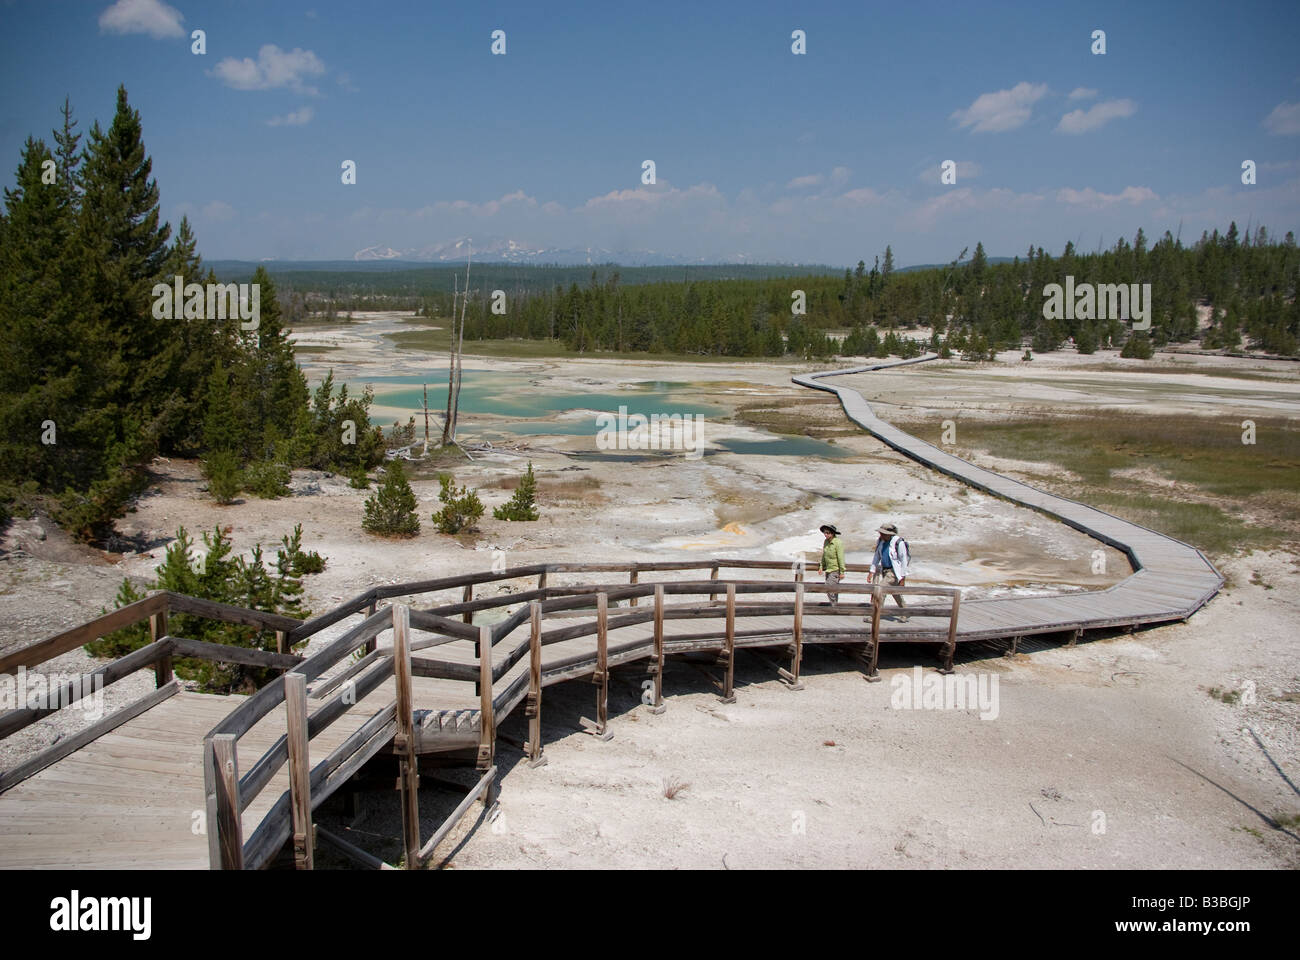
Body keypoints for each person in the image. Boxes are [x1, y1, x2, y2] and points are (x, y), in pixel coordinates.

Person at [867, 522, 909, 621]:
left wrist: (903, 577)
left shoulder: (899, 543)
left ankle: (875, 615)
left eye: (883, 534)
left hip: (893, 572)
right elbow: (877, 556)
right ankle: (905, 612)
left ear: (889, 534)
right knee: (895, 592)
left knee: (880, 590)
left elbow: (904, 560)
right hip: (885, 571)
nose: (880, 535)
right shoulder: (881, 542)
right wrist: (871, 571)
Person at [817, 523, 846, 608]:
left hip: (835, 569)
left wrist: (842, 571)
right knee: (832, 589)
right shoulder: (826, 542)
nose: (826, 534)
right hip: (828, 569)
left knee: (829, 588)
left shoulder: (838, 543)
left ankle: (834, 606)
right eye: (825, 533)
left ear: (833, 533)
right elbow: (824, 555)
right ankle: (835, 606)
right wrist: (821, 567)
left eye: (828, 533)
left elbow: (840, 557)